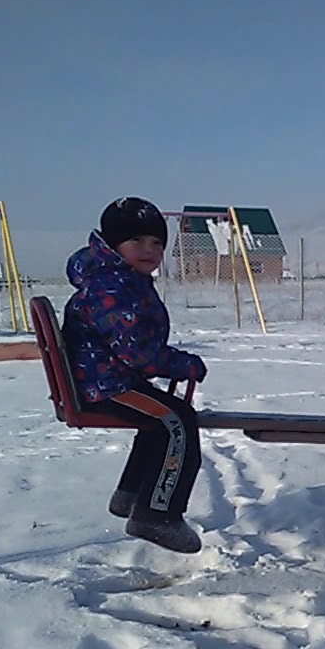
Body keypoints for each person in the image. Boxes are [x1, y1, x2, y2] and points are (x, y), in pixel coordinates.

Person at [62, 196, 208, 554]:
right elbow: (137, 352)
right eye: (136, 240)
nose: (149, 249)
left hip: (107, 380)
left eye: (157, 242)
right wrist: (185, 364)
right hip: (106, 385)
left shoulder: (121, 280)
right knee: (177, 422)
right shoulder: (110, 287)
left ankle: (129, 495)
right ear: (113, 245)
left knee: (161, 419)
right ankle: (157, 515)